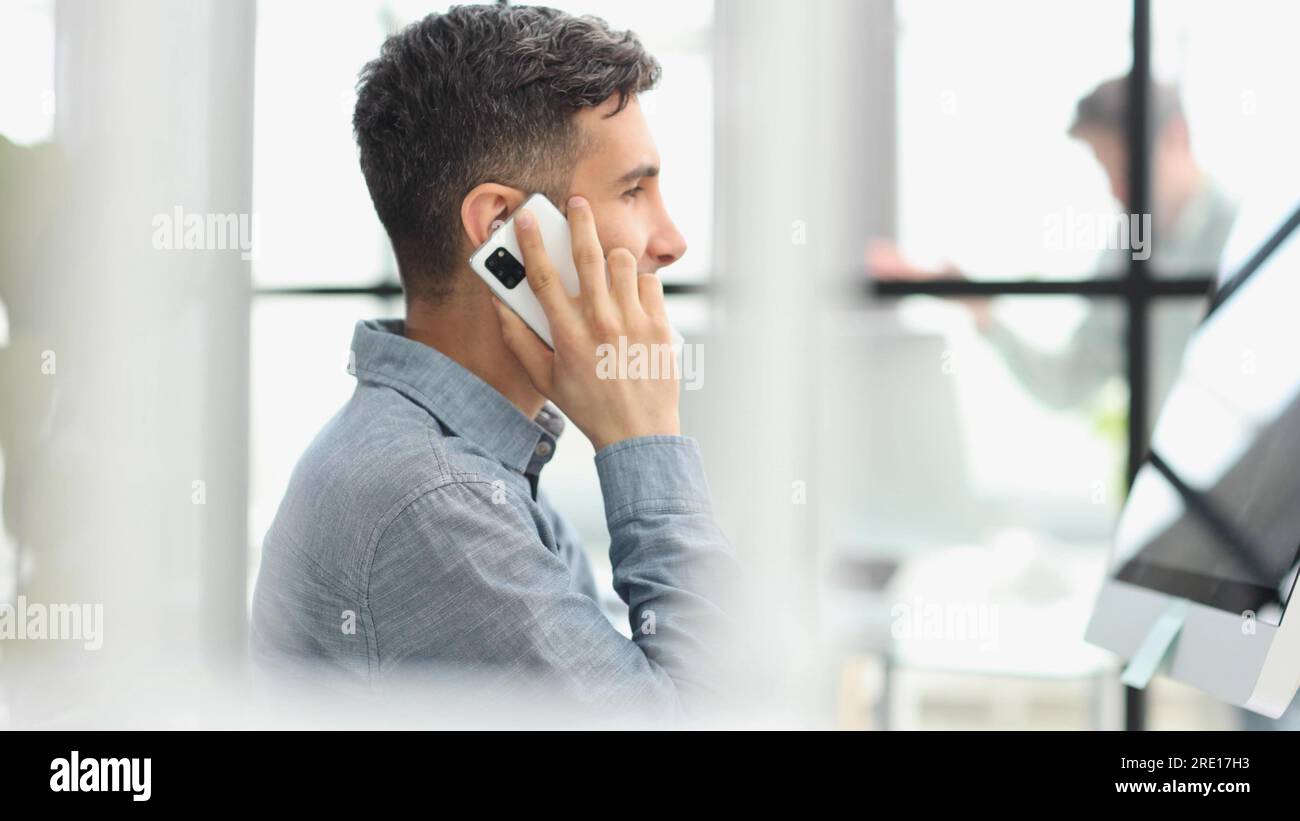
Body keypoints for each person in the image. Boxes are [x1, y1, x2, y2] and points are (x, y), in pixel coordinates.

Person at [249, 5, 743, 721]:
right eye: (634, 190)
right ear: (504, 231)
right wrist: (645, 445)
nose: (671, 241)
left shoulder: (467, 461)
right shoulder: (431, 500)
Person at [870, 77, 1238, 415]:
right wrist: (982, 310)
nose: (1116, 191)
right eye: (1105, 170)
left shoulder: (1244, 233)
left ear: (1178, 137)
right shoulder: (1129, 248)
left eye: (1126, 169)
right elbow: (1070, 382)